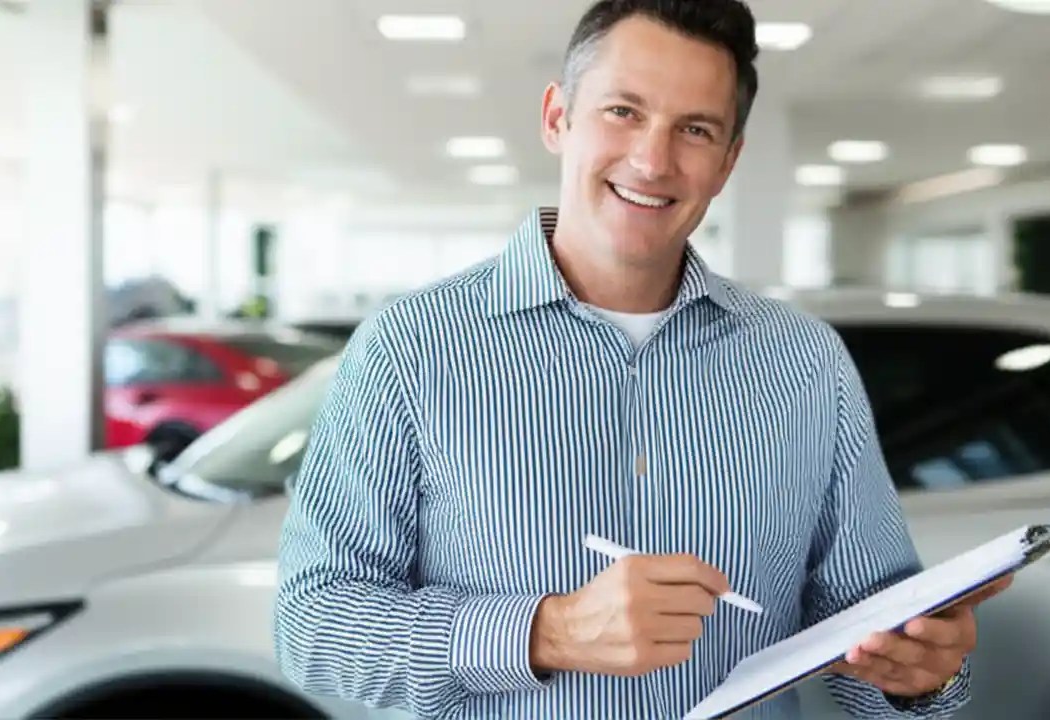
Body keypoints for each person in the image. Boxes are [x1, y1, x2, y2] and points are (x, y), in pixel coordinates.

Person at [273, 1, 1012, 717]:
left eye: (695, 129)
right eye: (623, 111)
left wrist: (914, 678)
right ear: (558, 118)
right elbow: (313, 627)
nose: (653, 159)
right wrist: (547, 632)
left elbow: (868, 640)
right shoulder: (411, 347)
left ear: (727, 162)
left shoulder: (805, 362)